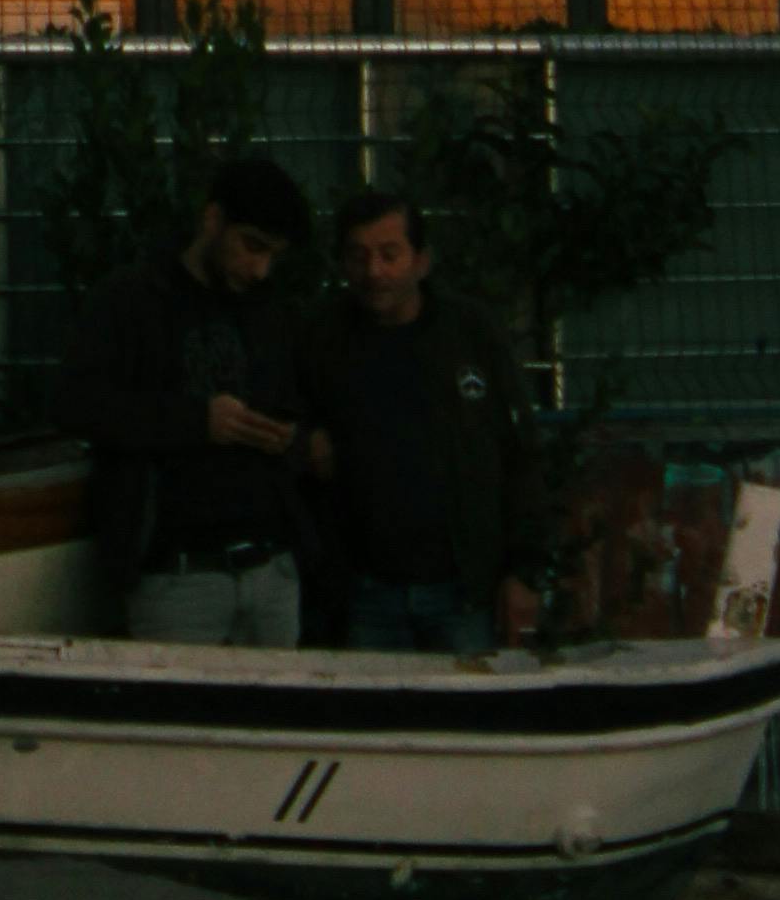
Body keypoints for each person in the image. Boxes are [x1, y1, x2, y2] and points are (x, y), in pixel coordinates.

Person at [57, 152, 315, 643]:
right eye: (252, 246)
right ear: (213, 220)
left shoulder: (269, 312)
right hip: (178, 571)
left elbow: (295, 403)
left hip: (269, 564)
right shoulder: (131, 301)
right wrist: (196, 421)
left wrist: (290, 438)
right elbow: (76, 403)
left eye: (271, 255)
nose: (259, 268)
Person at [299, 186, 547, 655]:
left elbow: (519, 455)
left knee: (466, 723)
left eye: (389, 254)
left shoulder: (470, 334)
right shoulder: (322, 339)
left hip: (461, 591)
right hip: (364, 592)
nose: (374, 272)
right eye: (359, 257)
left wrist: (525, 572)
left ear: (421, 260)